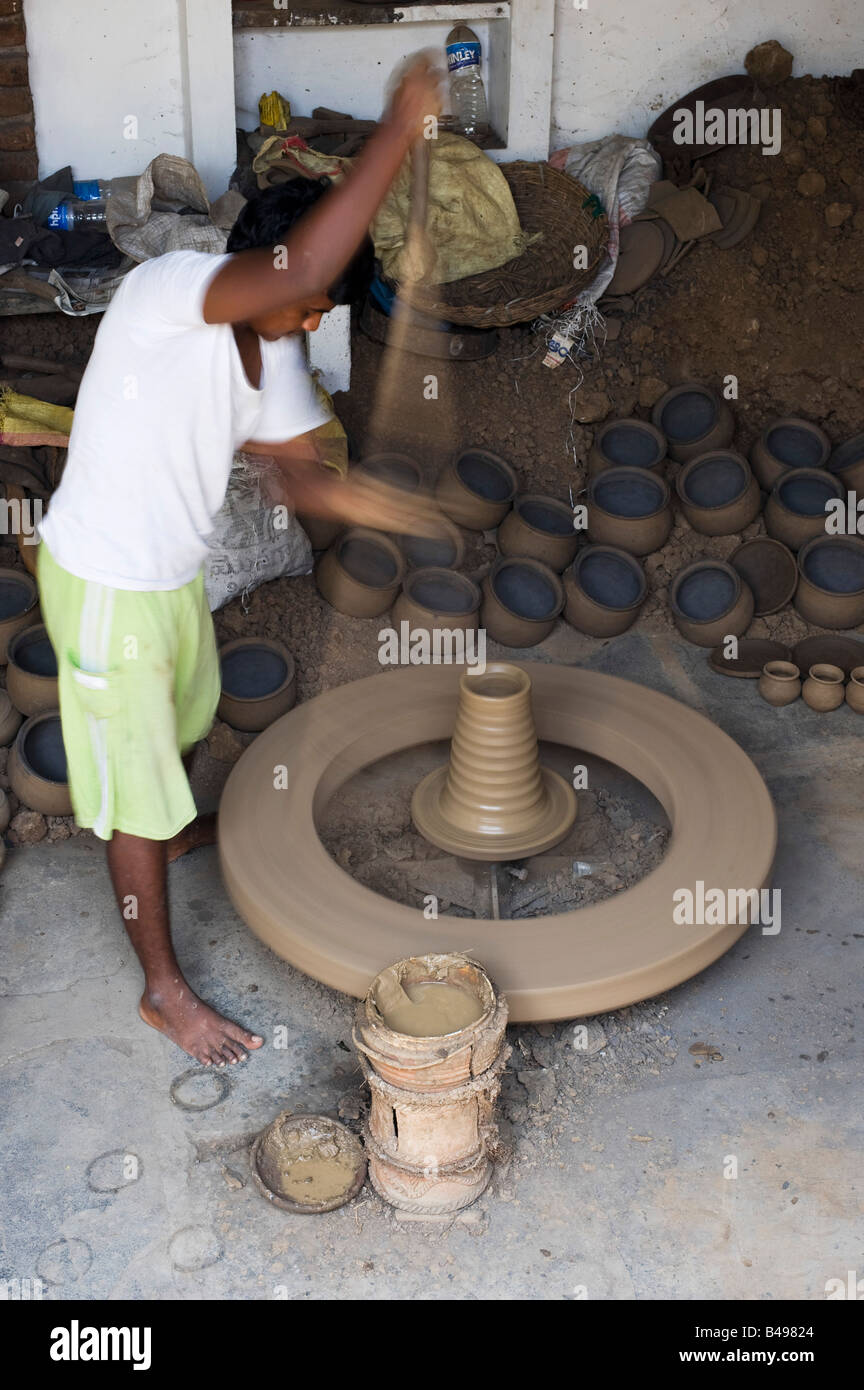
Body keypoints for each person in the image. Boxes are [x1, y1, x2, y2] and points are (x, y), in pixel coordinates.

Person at [37, 60, 443, 1069]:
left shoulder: (282, 351)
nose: (311, 318)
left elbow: (299, 482)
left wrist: (388, 506)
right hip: (104, 582)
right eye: (305, 301)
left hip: (169, 580)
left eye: (321, 313)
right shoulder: (169, 293)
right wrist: (398, 125)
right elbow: (303, 272)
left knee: (177, 730)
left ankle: (161, 836)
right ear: (262, 264)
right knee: (135, 782)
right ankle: (163, 991)